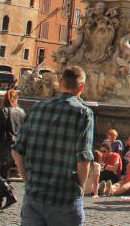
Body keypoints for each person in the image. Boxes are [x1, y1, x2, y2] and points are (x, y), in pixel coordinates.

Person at [12, 65, 94, 226]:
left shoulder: (37, 108)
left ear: (60, 82)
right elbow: (83, 159)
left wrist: (28, 181)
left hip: (34, 195)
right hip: (65, 196)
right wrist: (80, 188)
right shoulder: (83, 113)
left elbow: (18, 151)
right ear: (82, 86)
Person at [0, 89, 26, 210]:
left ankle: (9, 194)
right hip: (16, 146)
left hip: (4, 146)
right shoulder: (21, 112)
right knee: (4, 174)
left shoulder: (3, 111)